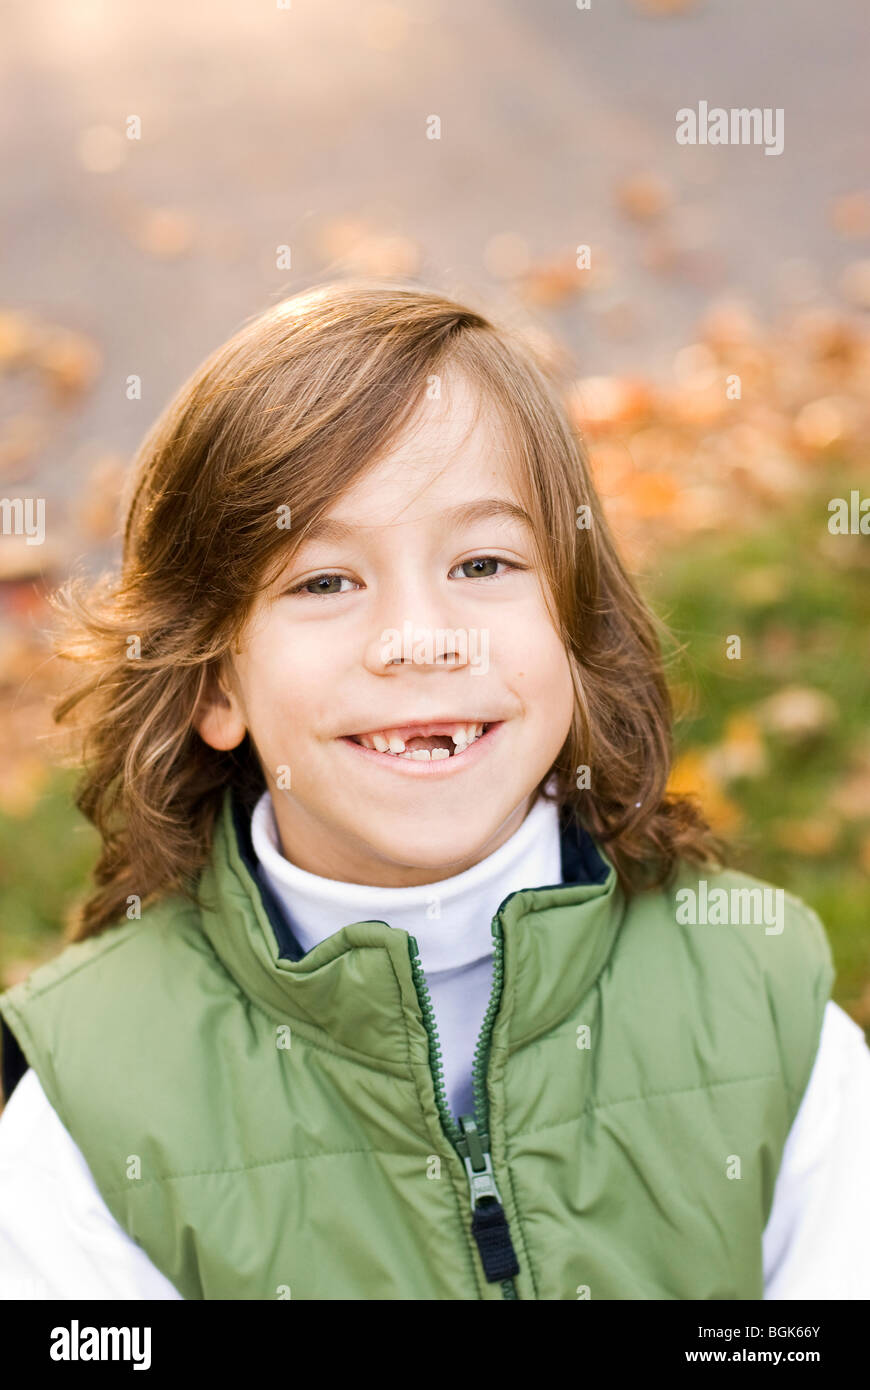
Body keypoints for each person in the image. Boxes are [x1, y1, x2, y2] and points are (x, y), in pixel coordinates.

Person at [1, 279, 868, 1300]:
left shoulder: (767, 1007)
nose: (420, 637)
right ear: (214, 681)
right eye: (323, 581)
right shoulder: (86, 1114)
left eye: (484, 561)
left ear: (576, 627)